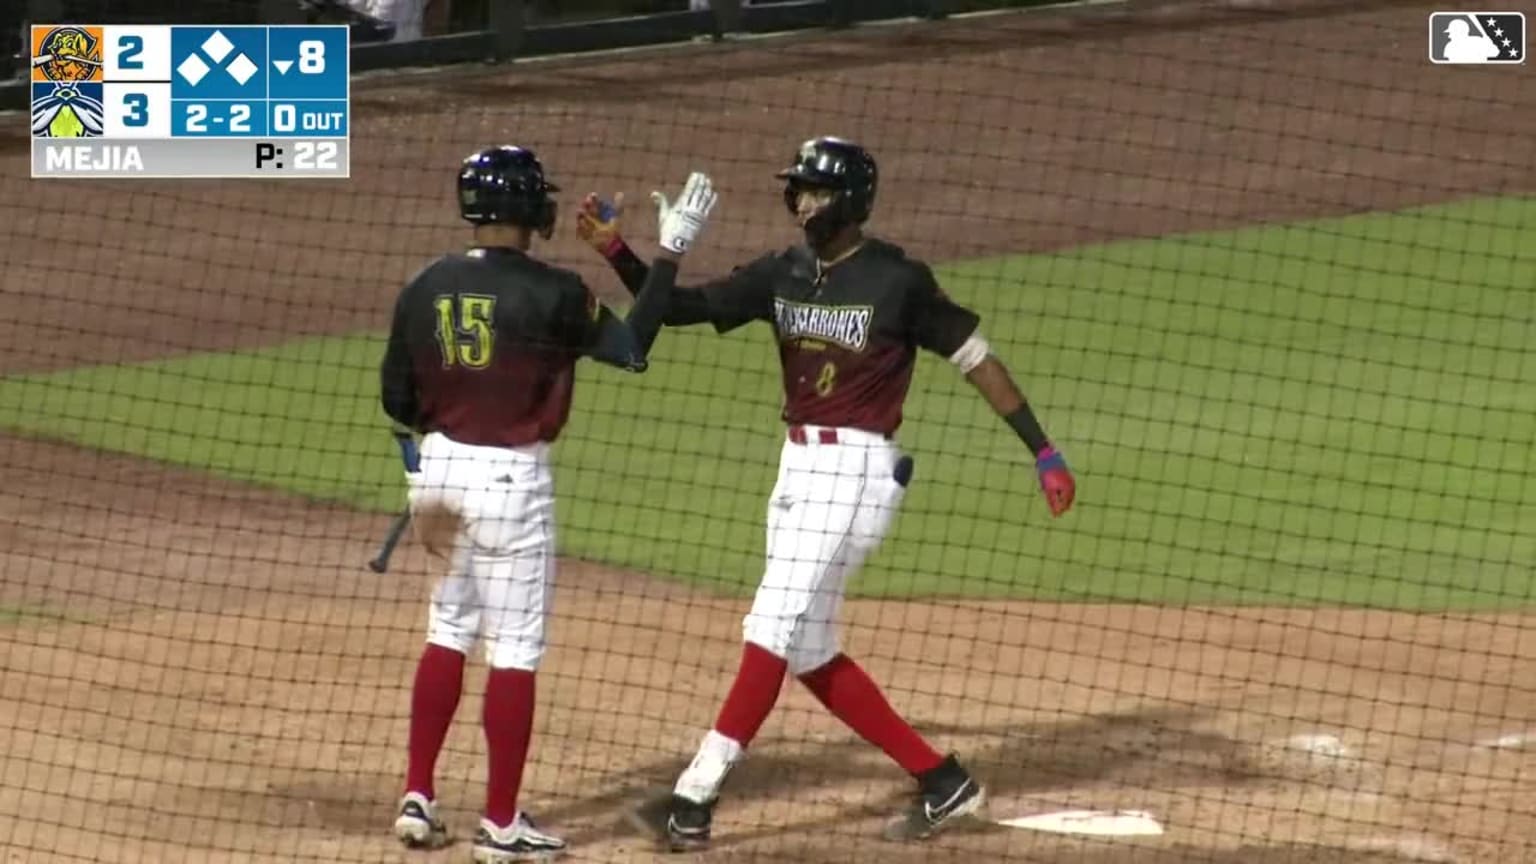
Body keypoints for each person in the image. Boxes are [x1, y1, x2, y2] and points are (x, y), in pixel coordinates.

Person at [574, 135, 1077, 851]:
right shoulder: (784, 271)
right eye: (798, 189)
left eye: (811, 190)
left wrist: (1044, 450)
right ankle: (944, 782)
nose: (799, 200)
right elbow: (678, 311)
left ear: (845, 201)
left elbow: (977, 361)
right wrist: (620, 252)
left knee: (769, 625)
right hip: (797, 470)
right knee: (807, 647)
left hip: (856, 474)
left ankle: (693, 799)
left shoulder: (898, 280)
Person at [379, 144, 719, 862]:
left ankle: (418, 797)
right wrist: (667, 254)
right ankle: (502, 826)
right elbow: (631, 348)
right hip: (510, 484)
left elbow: (396, 400)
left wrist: (435, 451)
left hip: (435, 475)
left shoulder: (424, 283)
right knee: (516, 651)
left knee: (447, 631)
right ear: (529, 209)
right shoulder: (556, 291)